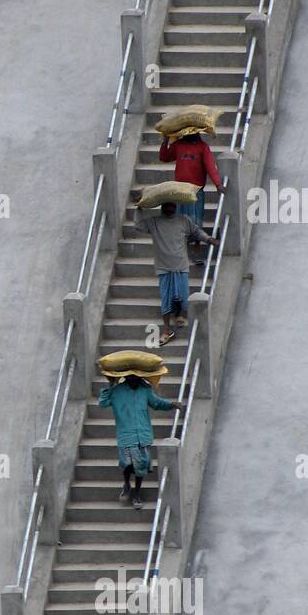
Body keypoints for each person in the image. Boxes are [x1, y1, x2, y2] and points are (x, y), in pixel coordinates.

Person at [128, 201, 217, 344]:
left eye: (172, 206)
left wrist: (208, 239)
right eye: (166, 206)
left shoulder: (183, 220)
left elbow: (196, 231)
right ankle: (167, 329)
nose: (169, 208)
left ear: (175, 207)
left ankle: (180, 314)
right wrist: (139, 208)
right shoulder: (154, 222)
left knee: (182, 295)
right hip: (164, 267)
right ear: (162, 208)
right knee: (166, 300)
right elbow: (138, 225)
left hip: (181, 265)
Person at [98, 372, 183, 509]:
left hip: (143, 435)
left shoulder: (145, 390)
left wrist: (171, 405)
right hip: (126, 435)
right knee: (127, 463)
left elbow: (156, 403)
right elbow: (102, 403)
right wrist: (110, 385)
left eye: (136, 378)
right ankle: (127, 483)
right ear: (125, 378)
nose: (134, 380)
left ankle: (137, 493)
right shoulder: (116, 391)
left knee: (141, 466)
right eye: (131, 378)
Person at [159, 131, 226, 263]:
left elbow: (210, 167)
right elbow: (164, 157)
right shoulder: (178, 145)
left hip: (196, 192)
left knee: (196, 222)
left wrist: (218, 184)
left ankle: (196, 252)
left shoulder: (203, 147)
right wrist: (166, 140)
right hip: (180, 191)